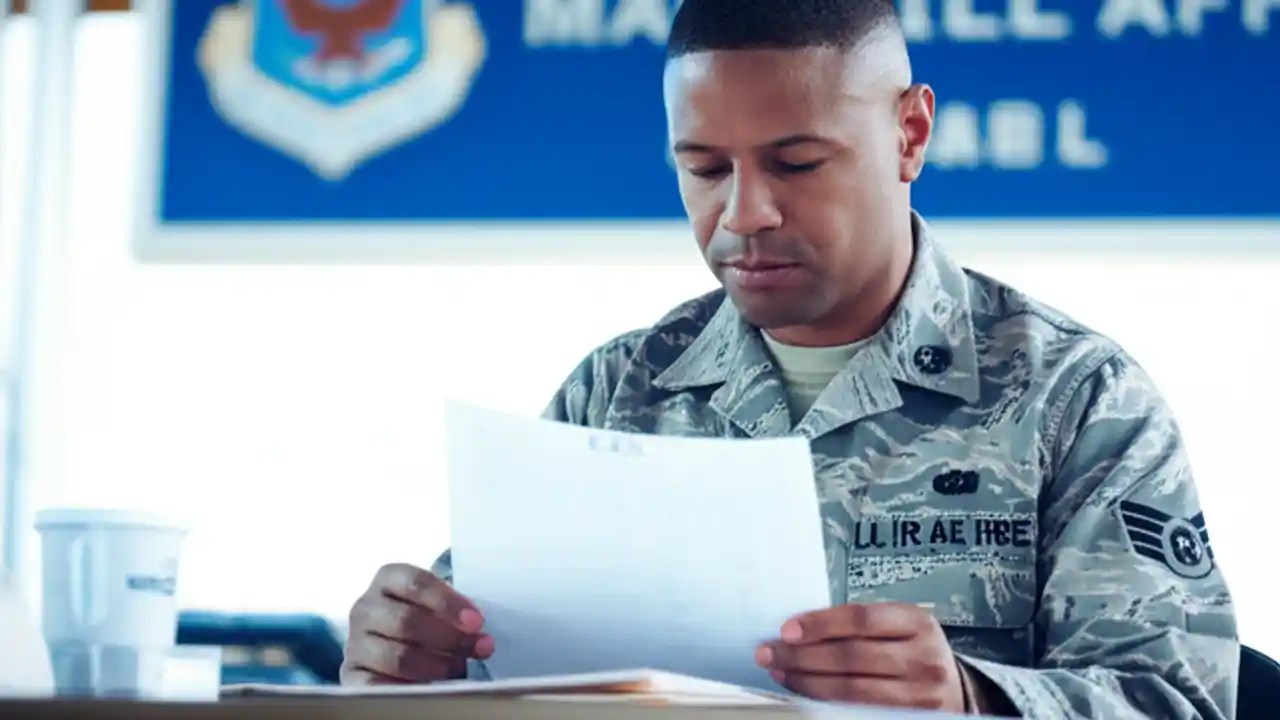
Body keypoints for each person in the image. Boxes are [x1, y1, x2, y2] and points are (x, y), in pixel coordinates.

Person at [340, 0, 1239, 716]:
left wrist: (974, 699)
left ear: (911, 135)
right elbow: (481, 660)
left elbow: (1180, 700)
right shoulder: (618, 392)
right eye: (704, 169)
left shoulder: (1075, 398)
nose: (743, 215)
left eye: (799, 164)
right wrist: (408, 653)